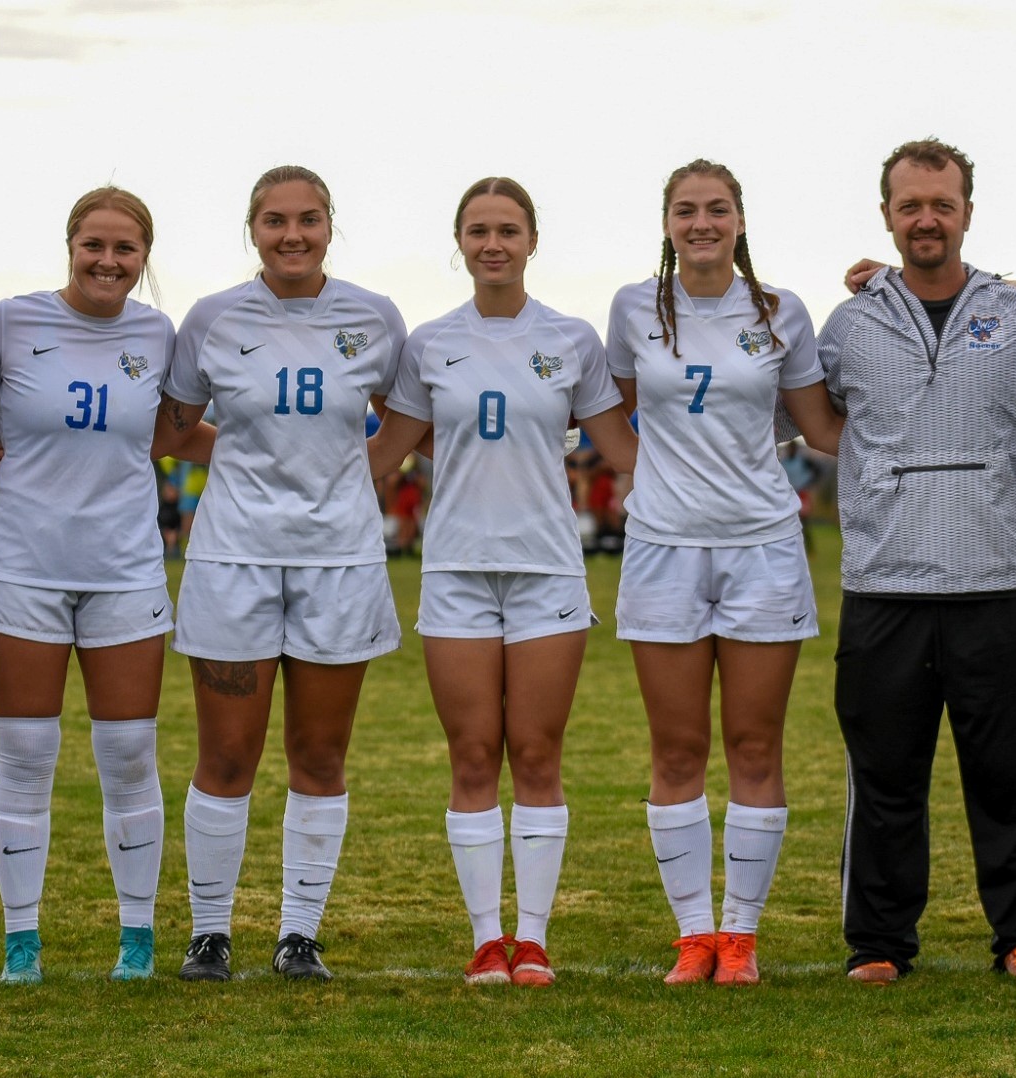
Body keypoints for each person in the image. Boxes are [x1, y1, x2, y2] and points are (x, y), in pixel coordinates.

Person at [820, 138, 1016, 986]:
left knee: (1008, 776)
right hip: (883, 584)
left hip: (996, 582)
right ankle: (880, 943)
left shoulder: (1015, 315)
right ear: (887, 215)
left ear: (967, 210)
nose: (926, 219)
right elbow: (807, 417)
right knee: (884, 777)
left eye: (942, 204)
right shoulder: (849, 323)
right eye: (910, 205)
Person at [368, 177, 639, 985]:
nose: (494, 243)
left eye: (508, 230)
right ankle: (488, 940)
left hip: (547, 568)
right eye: (479, 230)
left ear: (531, 241)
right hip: (454, 570)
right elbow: (389, 452)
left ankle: (535, 938)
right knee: (475, 752)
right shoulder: (429, 343)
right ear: (459, 242)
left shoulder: (572, 338)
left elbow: (622, 449)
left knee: (537, 751)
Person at [161, 165, 407, 983]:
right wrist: (233, 454)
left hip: (339, 560)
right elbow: (172, 426)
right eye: (274, 221)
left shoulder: (373, 318)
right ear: (252, 229)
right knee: (227, 755)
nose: (292, 234)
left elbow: (402, 426)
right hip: (233, 557)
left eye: (307, 219)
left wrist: (348, 473)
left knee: (319, 753)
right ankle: (210, 933)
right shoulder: (213, 318)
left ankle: (299, 933)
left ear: (330, 225)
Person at [607, 159, 840, 987]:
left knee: (753, 743)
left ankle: (740, 935)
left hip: (762, 547)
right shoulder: (635, 307)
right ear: (667, 223)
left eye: (716, 210)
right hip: (663, 547)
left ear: (740, 220)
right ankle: (693, 934)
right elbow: (621, 412)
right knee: (675, 748)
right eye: (685, 211)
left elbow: (820, 428)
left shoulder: (782, 312)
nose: (700, 223)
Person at [0, 186, 208, 985]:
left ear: (145, 258)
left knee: (129, 751)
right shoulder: (10, 320)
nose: (109, 261)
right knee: (27, 753)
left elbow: (175, 431)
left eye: (126, 249)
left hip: (124, 568)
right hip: (24, 566)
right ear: (69, 246)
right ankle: (21, 943)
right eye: (94, 245)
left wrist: (281, 442)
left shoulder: (159, 332)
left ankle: (135, 941)